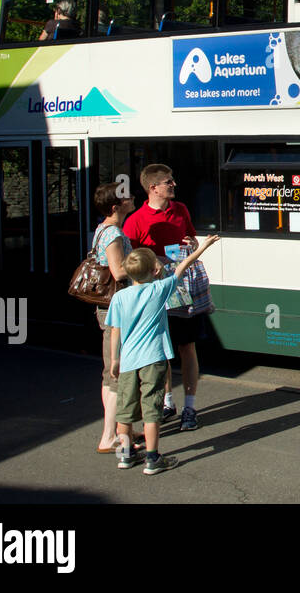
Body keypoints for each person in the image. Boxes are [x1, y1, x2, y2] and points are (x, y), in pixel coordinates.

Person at [107, 236, 219, 475]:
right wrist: (204, 246)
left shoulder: (119, 298)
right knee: (152, 410)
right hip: (153, 359)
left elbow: (115, 332)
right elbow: (182, 266)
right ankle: (153, 458)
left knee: (125, 411)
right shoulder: (159, 290)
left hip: (127, 362)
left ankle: (125, 456)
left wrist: (115, 359)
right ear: (155, 269)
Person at [124, 164, 202, 430]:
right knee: (162, 352)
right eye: (169, 182)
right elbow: (130, 263)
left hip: (182, 291)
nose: (174, 185)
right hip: (154, 295)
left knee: (187, 347)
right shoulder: (135, 220)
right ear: (153, 187)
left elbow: (192, 239)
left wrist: (193, 245)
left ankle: (190, 407)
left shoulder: (180, 210)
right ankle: (168, 402)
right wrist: (153, 260)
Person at [89, 182, 140, 455]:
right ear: (115, 207)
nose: (131, 197)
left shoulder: (106, 230)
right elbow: (119, 272)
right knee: (114, 373)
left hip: (113, 309)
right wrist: (143, 264)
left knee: (114, 371)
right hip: (114, 310)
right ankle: (109, 436)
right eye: (126, 196)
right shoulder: (112, 233)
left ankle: (124, 429)